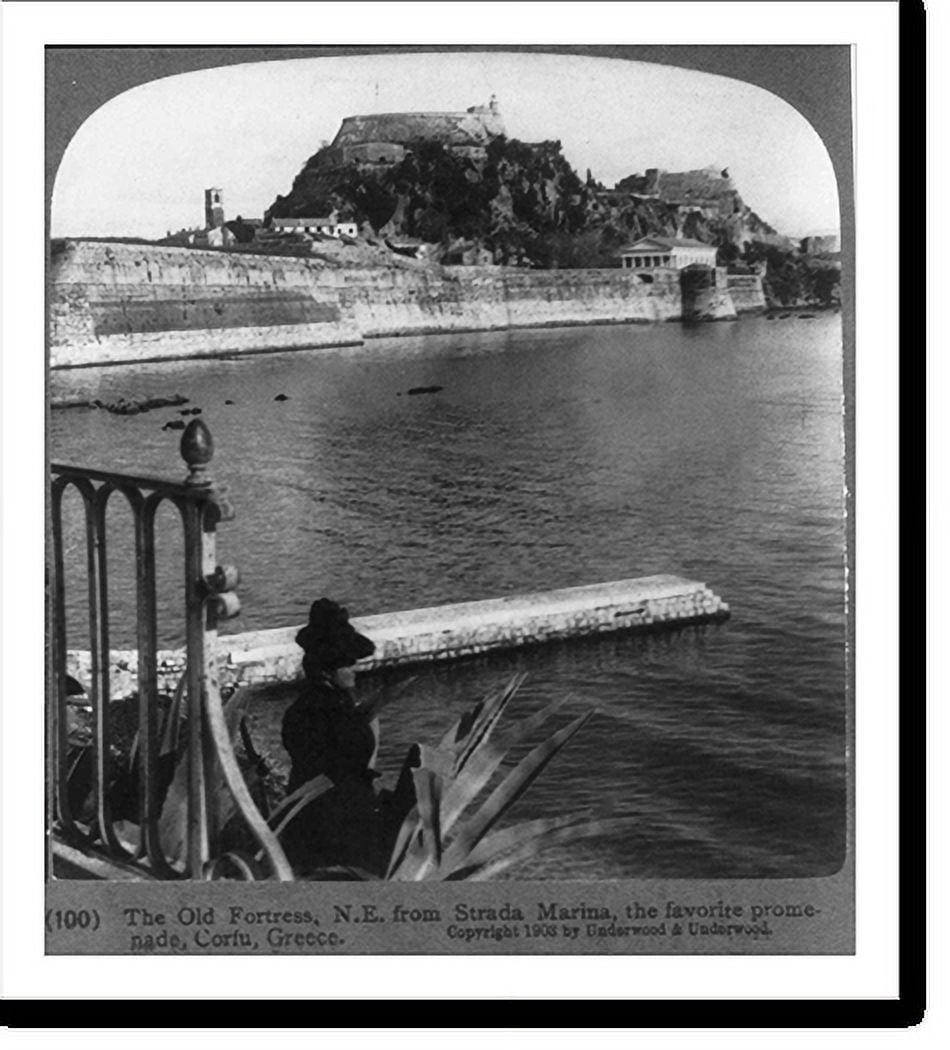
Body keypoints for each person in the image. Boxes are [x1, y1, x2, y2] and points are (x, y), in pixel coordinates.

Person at [280, 598, 382, 873]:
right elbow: (351, 764)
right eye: (347, 665)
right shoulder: (332, 714)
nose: (354, 671)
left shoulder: (306, 708)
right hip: (337, 829)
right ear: (326, 671)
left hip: (307, 822)